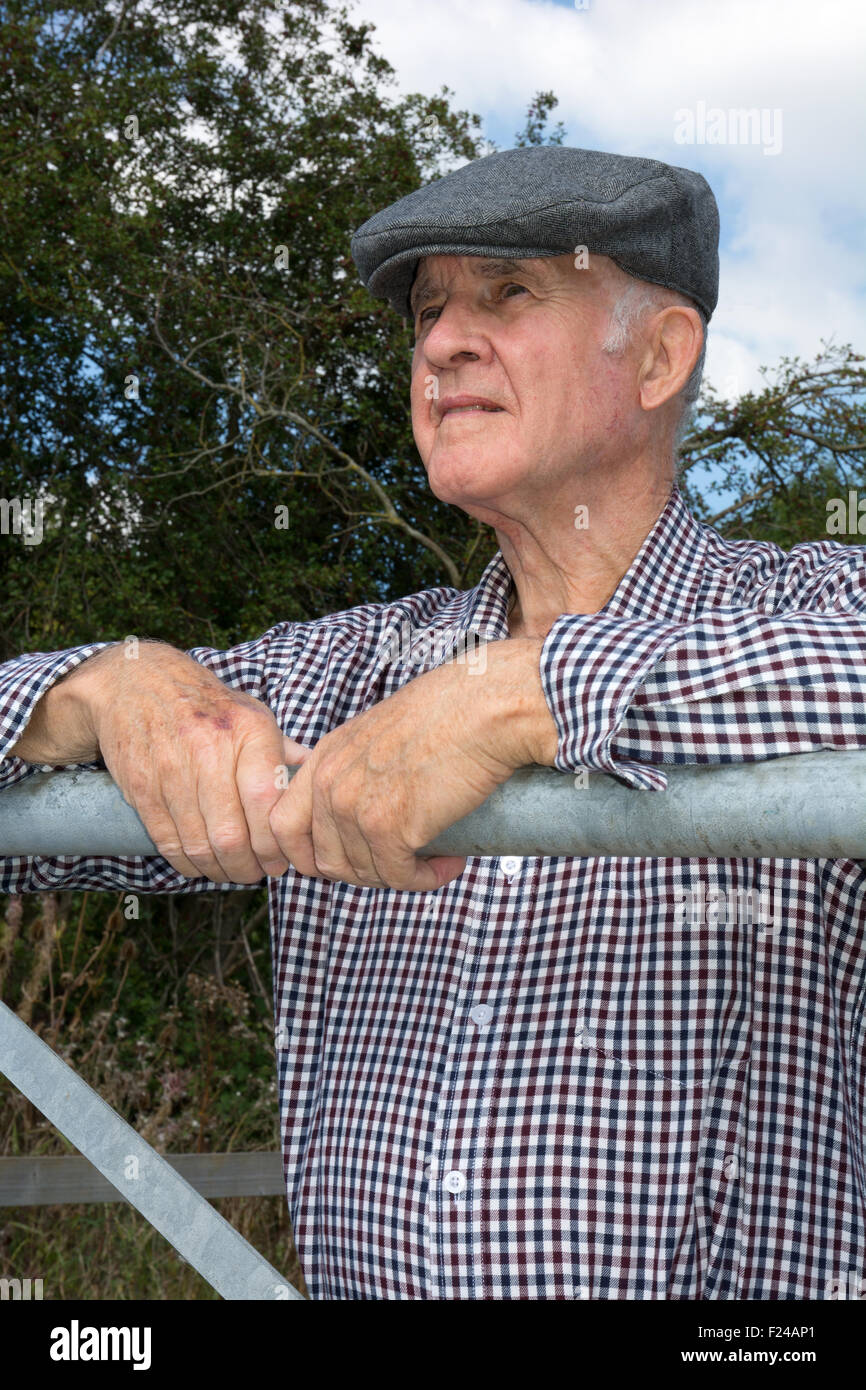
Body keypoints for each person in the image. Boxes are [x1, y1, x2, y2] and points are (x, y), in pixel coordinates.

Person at [3, 145, 865, 1300]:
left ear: (659, 356)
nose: (442, 342)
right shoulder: (350, 667)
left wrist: (524, 691)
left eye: (507, 292)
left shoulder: (811, 606)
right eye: (427, 311)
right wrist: (104, 685)